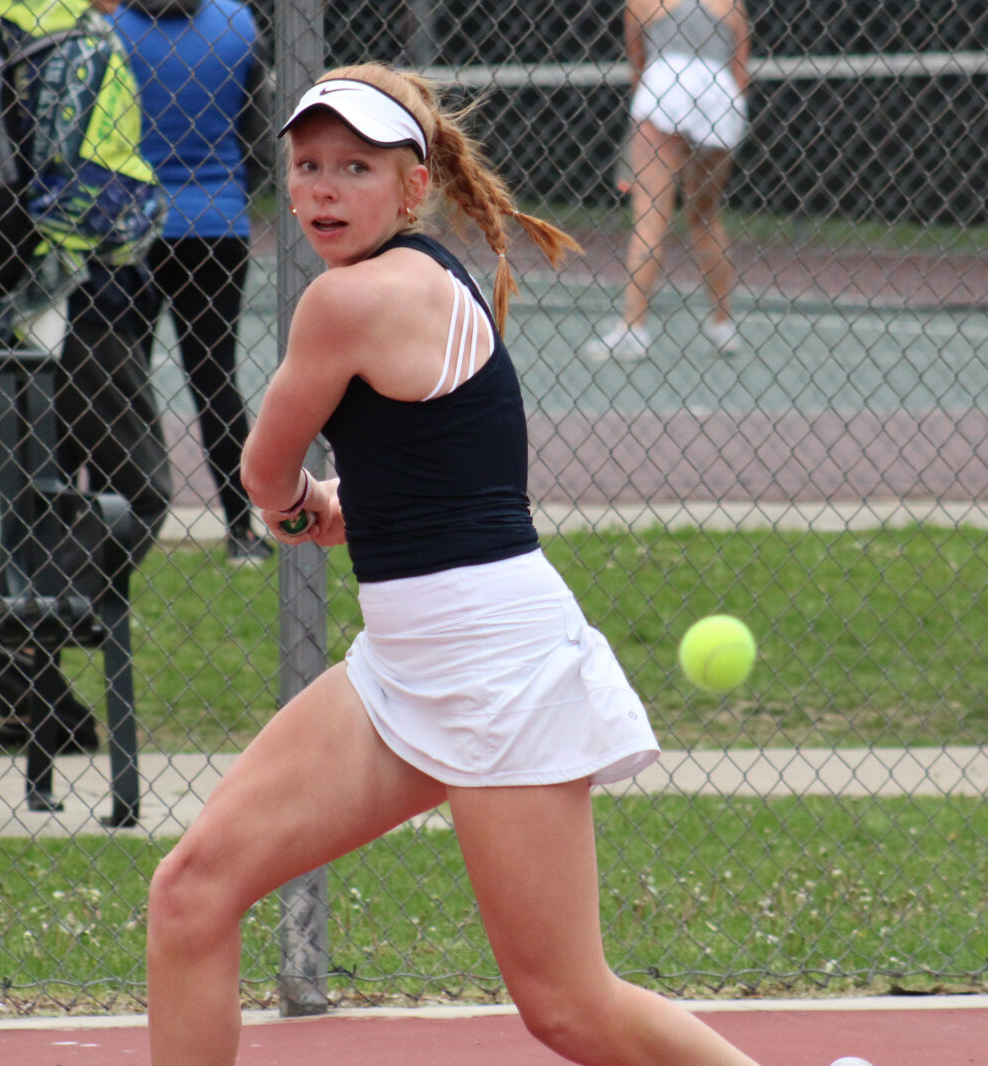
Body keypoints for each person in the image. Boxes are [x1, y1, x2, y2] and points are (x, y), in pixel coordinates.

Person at [144, 62, 766, 1066]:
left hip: (496, 667)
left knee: (567, 1004)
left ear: (412, 184)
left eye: (354, 167)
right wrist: (350, 507)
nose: (321, 189)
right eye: (307, 166)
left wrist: (302, 508)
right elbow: (435, 467)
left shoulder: (349, 301)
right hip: (405, 662)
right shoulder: (430, 274)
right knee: (191, 891)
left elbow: (262, 471)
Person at [0, 0, 173, 757]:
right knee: (141, 490)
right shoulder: (84, 42)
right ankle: (21, 647)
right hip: (82, 304)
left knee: (41, 495)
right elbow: (85, 186)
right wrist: (141, 218)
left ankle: (33, 701)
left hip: (0, 303)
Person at [112, 0, 276, 566]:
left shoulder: (109, 24)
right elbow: (258, 134)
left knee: (120, 379)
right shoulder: (236, 22)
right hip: (217, 221)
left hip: (131, 224)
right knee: (215, 378)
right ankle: (241, 532)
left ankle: (117, 525)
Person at [585, 0, 750, 359]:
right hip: (721, 95)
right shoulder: (732, 3)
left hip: (664, 86)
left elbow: (638, 64)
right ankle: (723, 326)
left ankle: (634, 327)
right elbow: (741, 69)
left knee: (650, 215)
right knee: (705, 214)